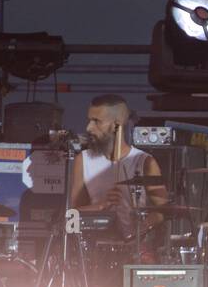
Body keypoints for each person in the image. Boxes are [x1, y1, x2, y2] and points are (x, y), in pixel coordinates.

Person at [68, 94, 168, 250]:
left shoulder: (145, 162)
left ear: (116, 125)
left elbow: (163, 210)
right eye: (89, 120)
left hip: (136, 249)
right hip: (94, 250)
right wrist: (101, 206)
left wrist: (140, 229)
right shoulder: (83, 159)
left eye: (96, 121)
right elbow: (72, 214)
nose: (89, 128)